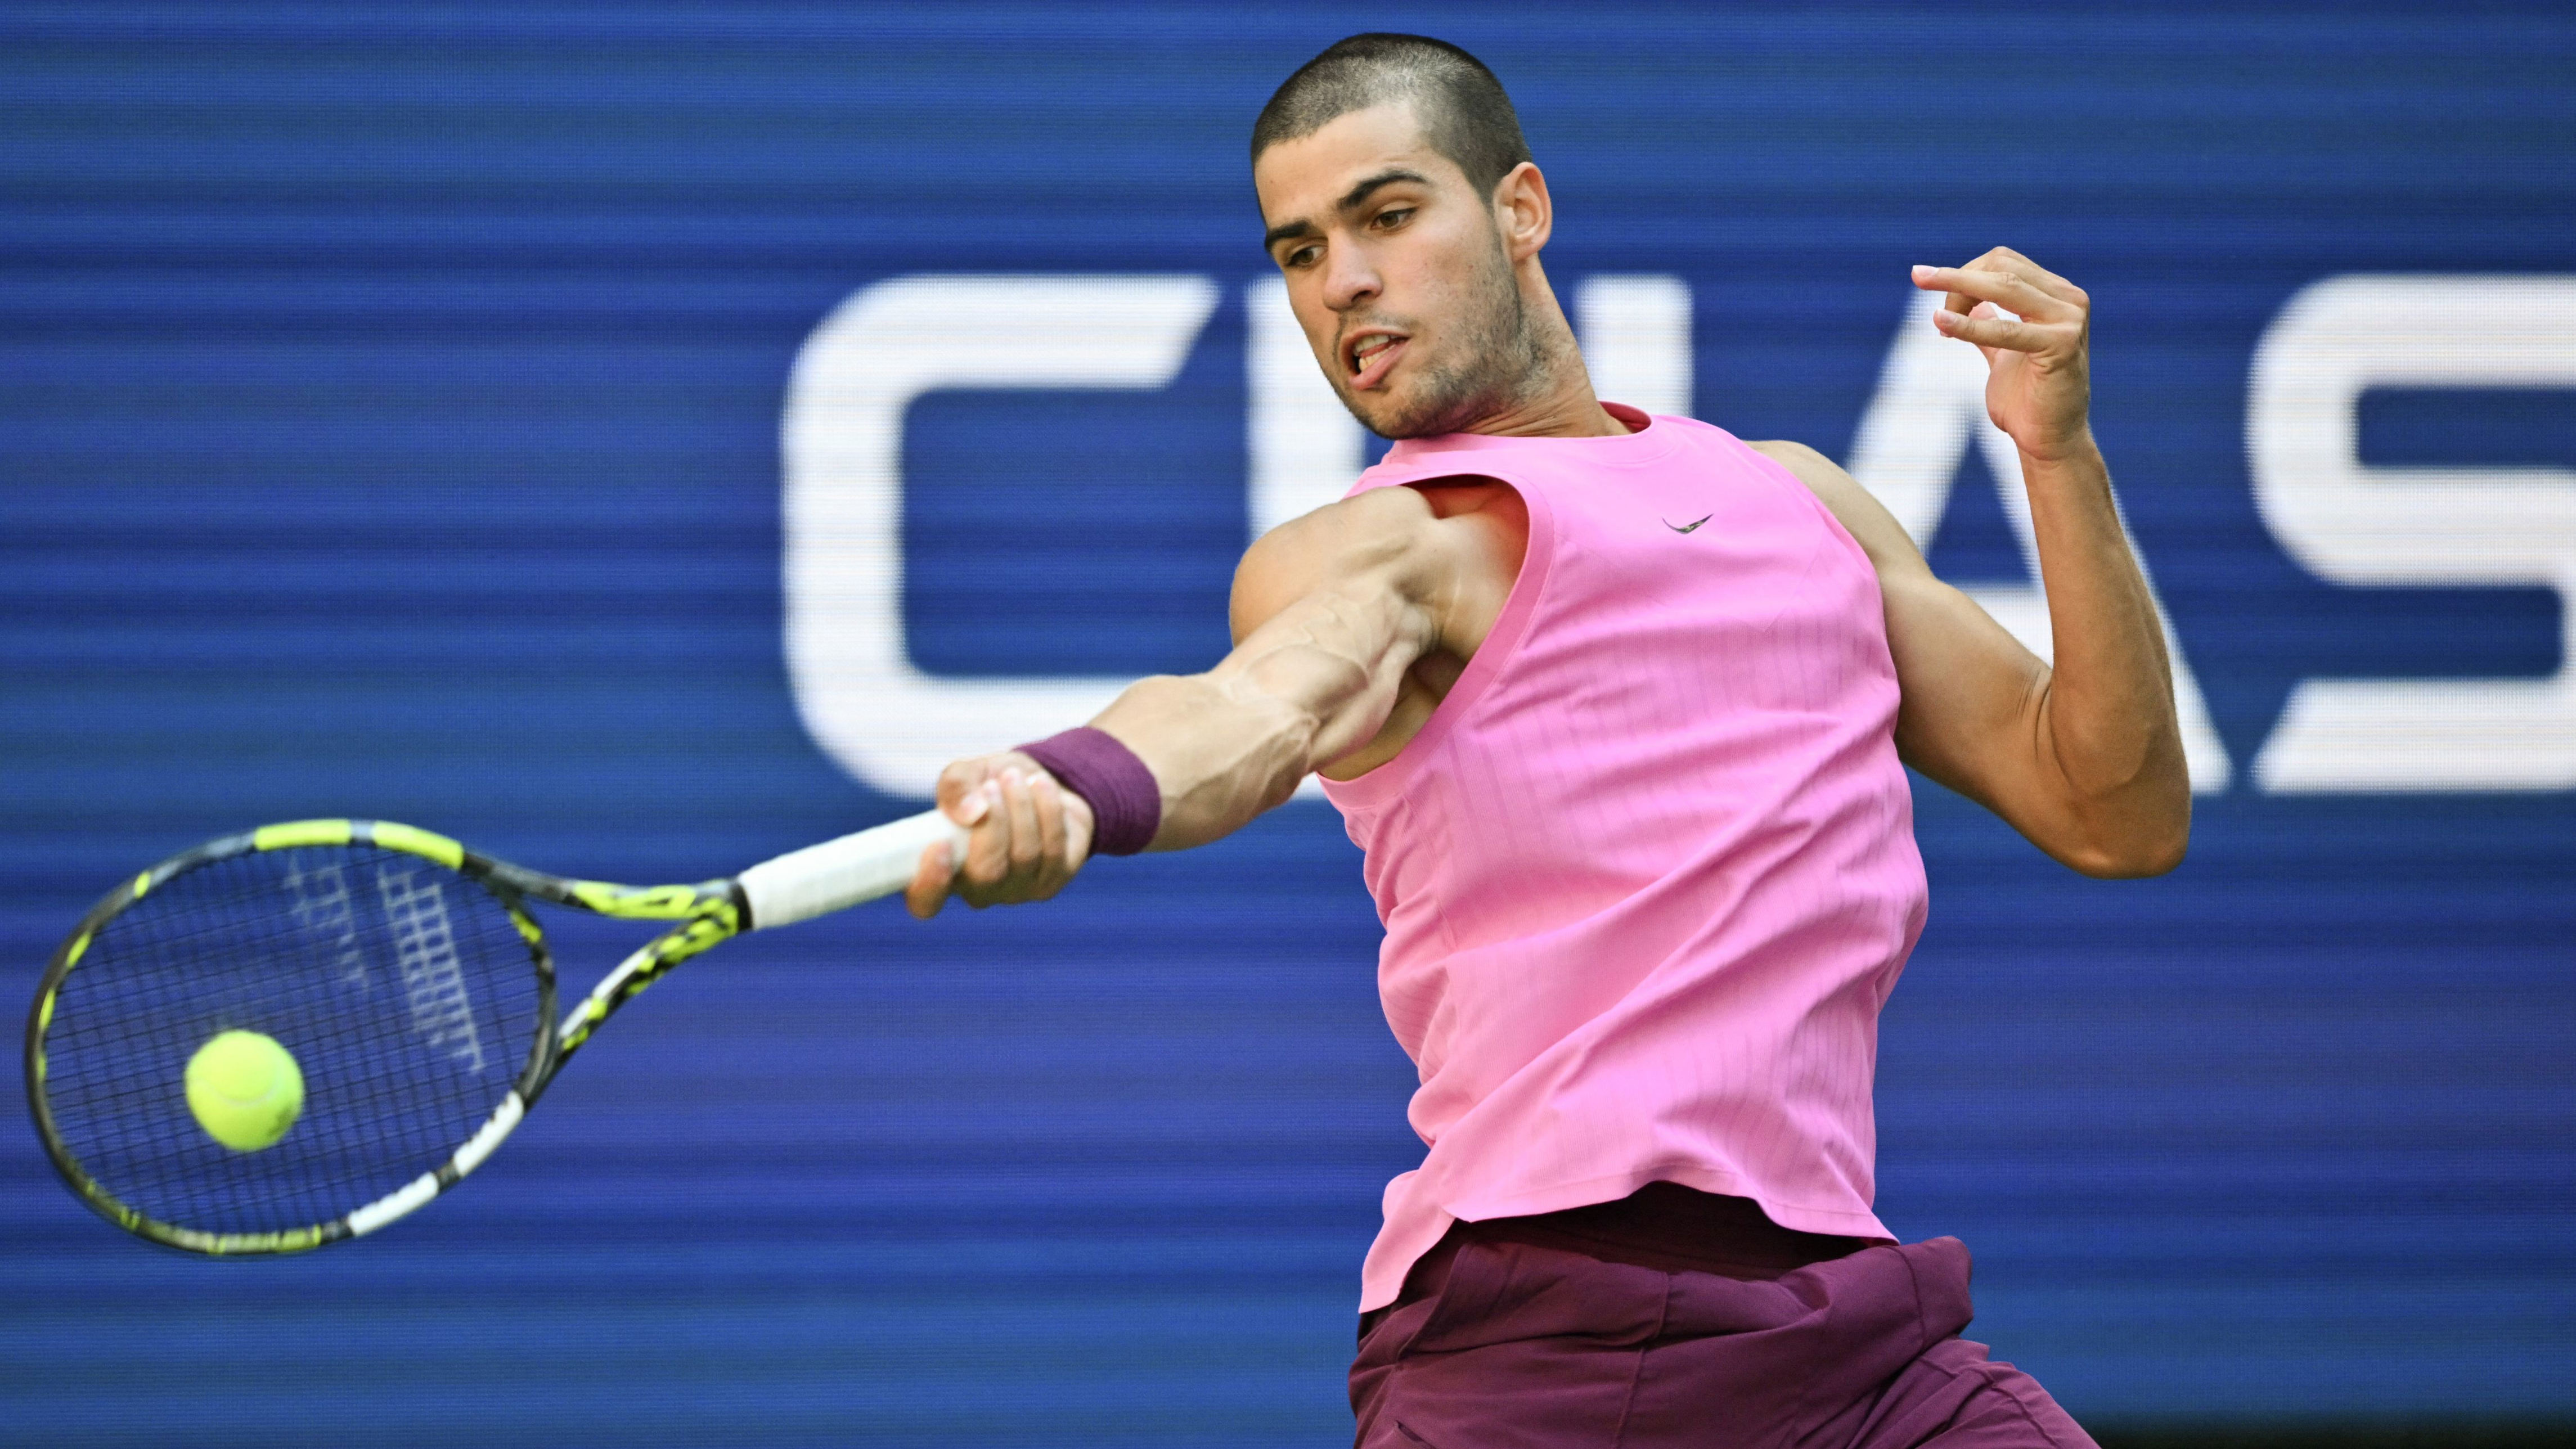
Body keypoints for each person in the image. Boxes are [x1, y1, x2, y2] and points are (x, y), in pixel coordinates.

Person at [902, 32, 2185, 1449]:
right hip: (1546, 1347)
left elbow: (2111, 809)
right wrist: (1075, 785)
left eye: (1387, 217)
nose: (1343, 283)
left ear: (1520, 208)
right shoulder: (1394, 549)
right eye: (1298, 250)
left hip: (1851, 1341)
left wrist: (2057, 457)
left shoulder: (1800, 503)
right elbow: (1257, 705)